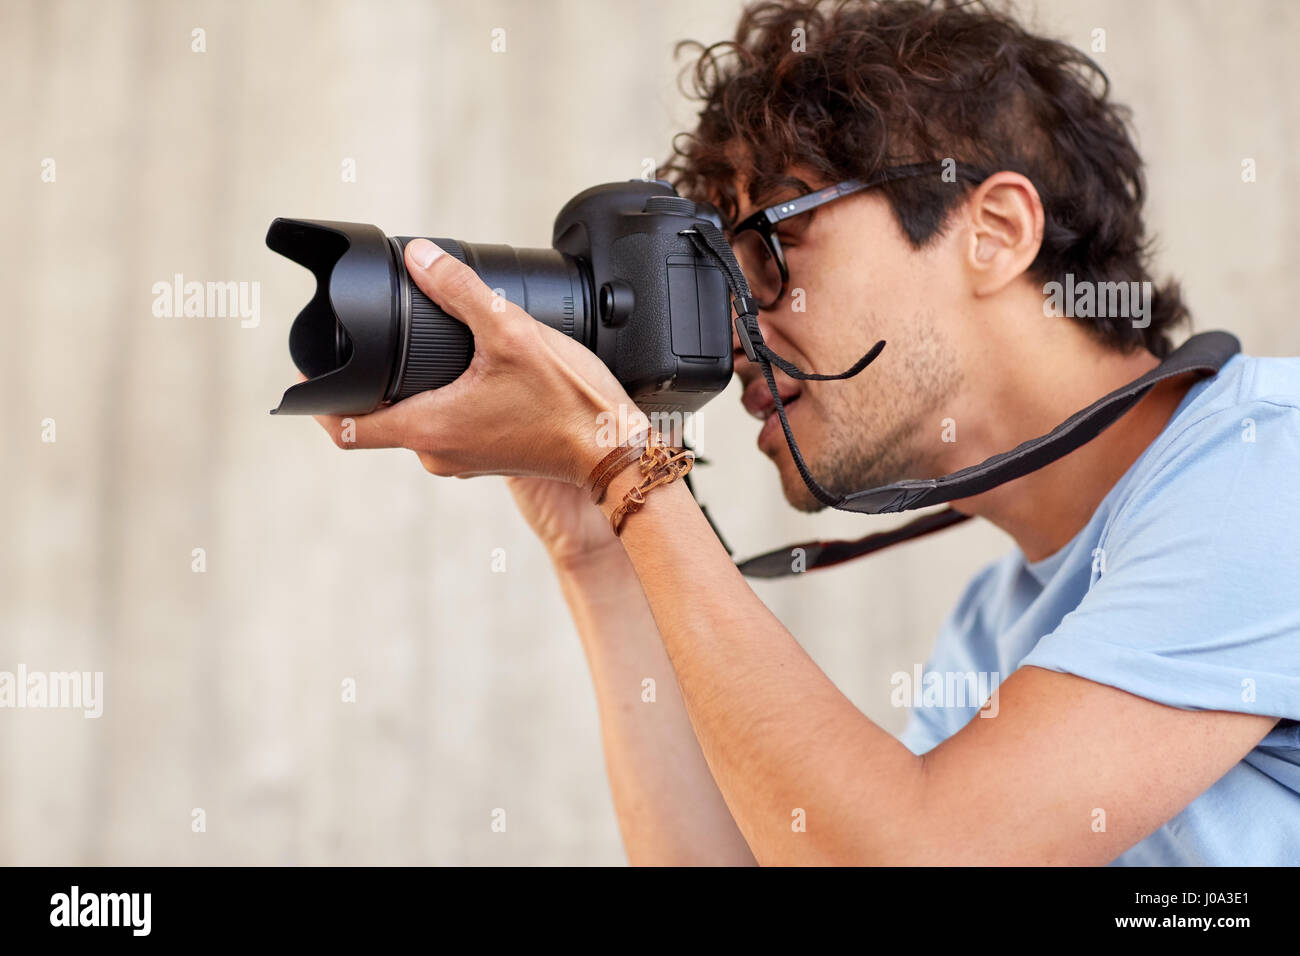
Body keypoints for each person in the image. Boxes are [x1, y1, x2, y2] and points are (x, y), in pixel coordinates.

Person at [304, 0, 1300, 864]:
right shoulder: (999, 627)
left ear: (993, 231)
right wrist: (597, 543)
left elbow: (917, 854)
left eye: (770, 245)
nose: (735, 331)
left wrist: (627, 461)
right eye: (713, 273)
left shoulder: (1269, 464)